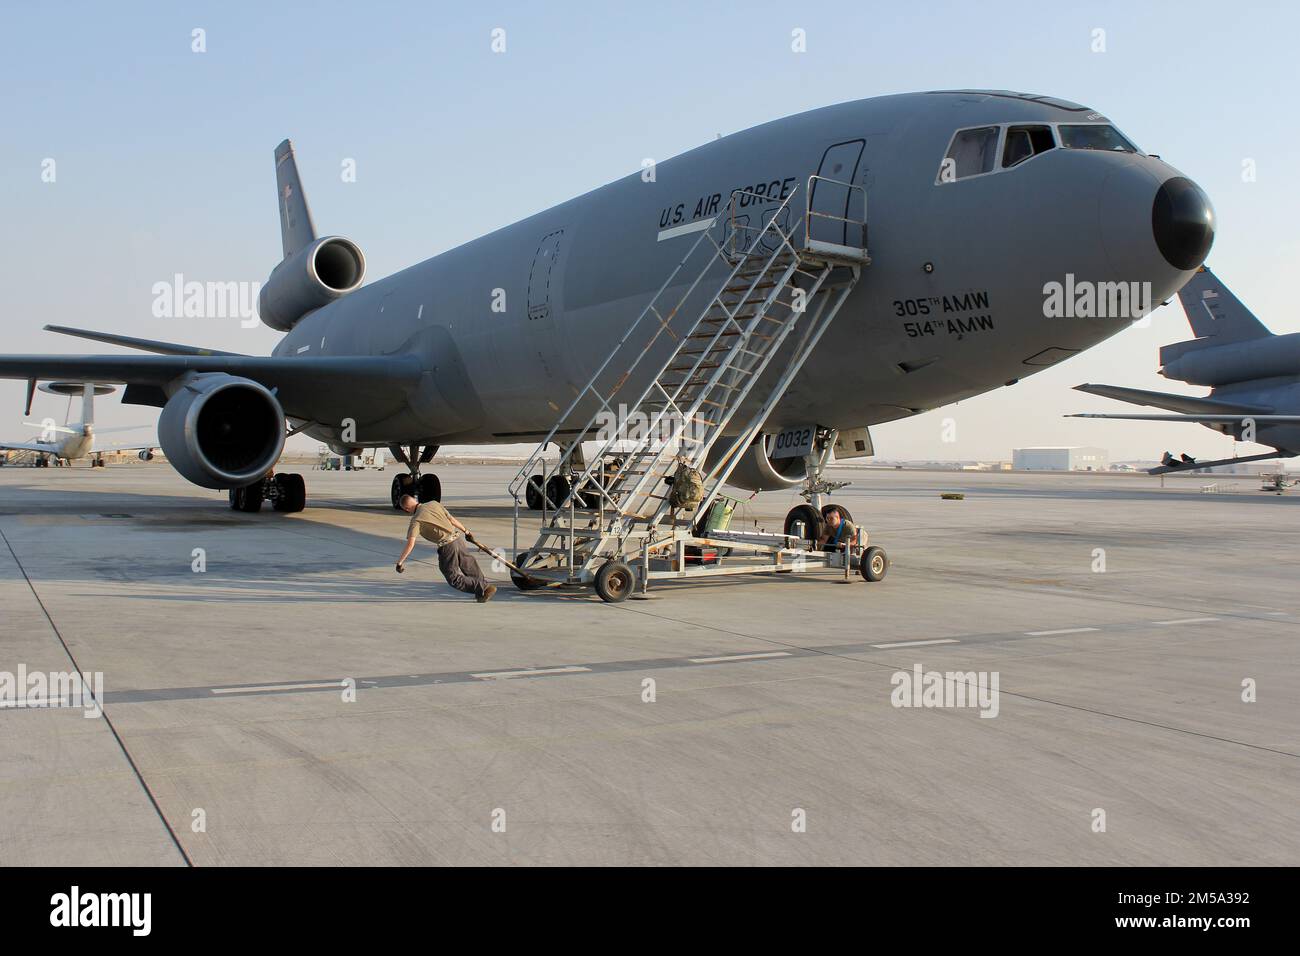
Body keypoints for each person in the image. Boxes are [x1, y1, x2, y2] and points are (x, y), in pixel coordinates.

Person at [395, 495, 497, 602]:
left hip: (447, 546)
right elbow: (452, 520)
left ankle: (485, 587)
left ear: (406, 509)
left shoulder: (416, 521)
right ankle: (482, 591)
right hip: (458, 539)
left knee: (453, 577)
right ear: (415, 500)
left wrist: (400, 563)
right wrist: (466, 531)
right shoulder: (434, 503)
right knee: (469, 566)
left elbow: (410, 544)